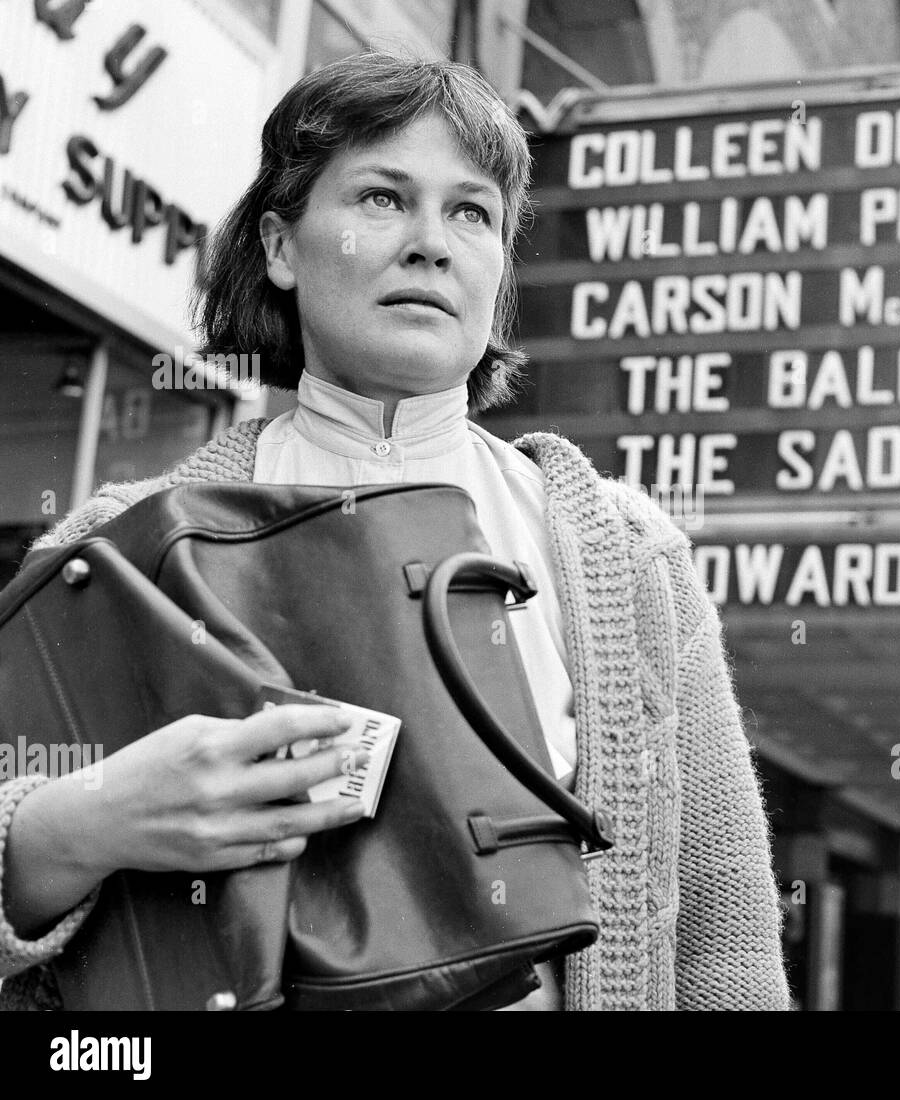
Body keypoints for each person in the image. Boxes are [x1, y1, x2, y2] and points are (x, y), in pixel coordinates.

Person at [0, 52, 789, 1011]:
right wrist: (77, 828)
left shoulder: (631, 560)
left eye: (471, 212)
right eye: (381, 197)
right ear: (282, 247)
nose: (431, 243)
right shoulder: (110, 551)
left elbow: (726, 943)